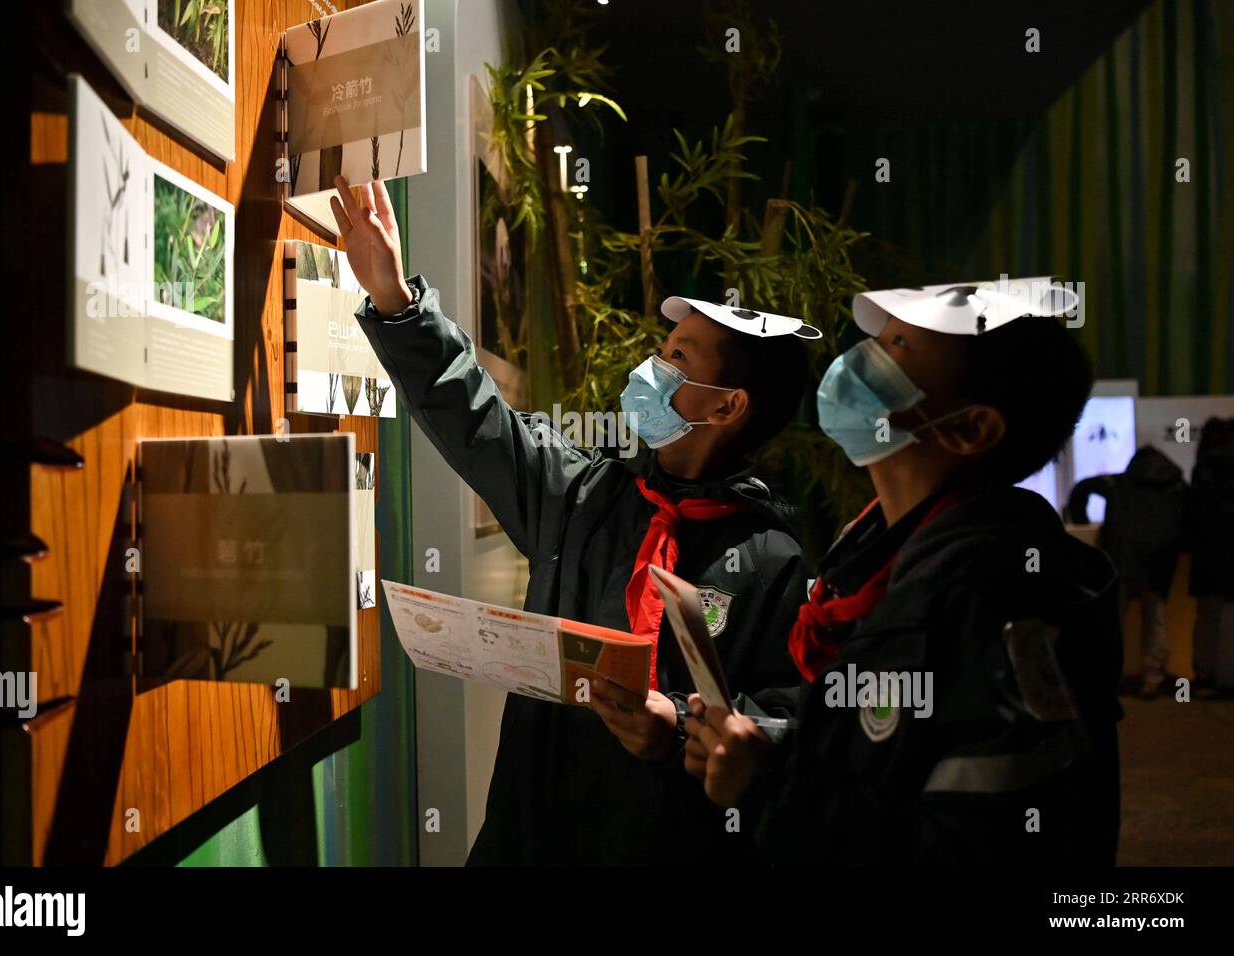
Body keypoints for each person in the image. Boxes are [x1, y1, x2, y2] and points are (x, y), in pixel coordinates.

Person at [330, 176, 816, 865]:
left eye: (677, 358)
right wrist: (394, 300)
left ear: (726, 407)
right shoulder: (585, 495)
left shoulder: (772, 562)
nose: (651, 368)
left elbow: (786, 728)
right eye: (662, 348)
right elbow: (479, 421)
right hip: (529, 839)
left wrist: (675, 728)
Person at [686, 279, 1124, 865]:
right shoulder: (876, 563)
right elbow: (890, 760)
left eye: (896, 348)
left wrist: (767, 791)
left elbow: (980, 848)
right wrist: (779, 748)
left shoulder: (993, 602)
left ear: (970, 428)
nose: (855, 360)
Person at [1067, 445, 1186, 698]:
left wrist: (1080, 520)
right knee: (1155, 622)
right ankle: (1152, 678)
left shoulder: (1119, 482)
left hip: (1121, 561)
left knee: (1112, 624)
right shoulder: (1176, 487)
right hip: (1158, 564)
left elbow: (1081, 489)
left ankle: (1108, 678)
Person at [1185, 417, 1234, 693]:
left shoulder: (1203, 468)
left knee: (1207, 618)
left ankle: (1206, 675)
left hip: (1209, 557)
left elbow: (1196, 517)